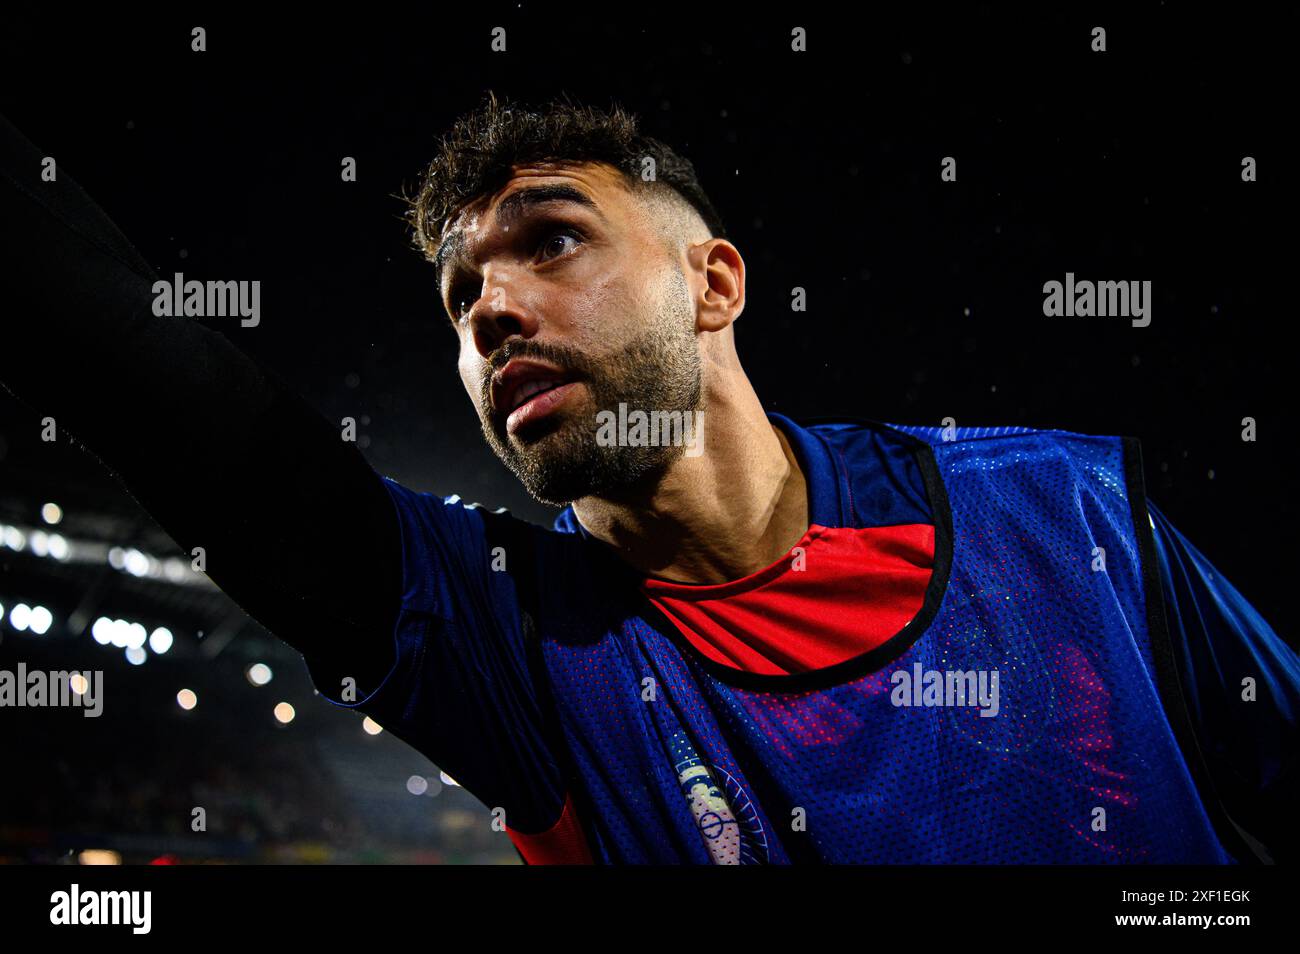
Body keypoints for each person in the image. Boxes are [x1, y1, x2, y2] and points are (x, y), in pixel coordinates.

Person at [1, 92, 1296, 864]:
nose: (492, 311)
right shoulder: (512, 645)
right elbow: (159, 390)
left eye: (551, 238)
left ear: (713, 280)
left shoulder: (1067, 514)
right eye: (460, 300)